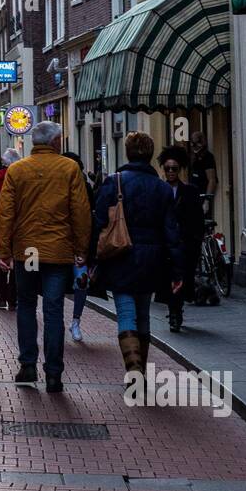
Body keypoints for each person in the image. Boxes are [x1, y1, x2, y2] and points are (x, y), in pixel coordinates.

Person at [0, 122, 91, 394]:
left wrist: (3, 250)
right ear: (56, 141)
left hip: (29, 252)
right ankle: (53, 373)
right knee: (53, 310)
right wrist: (82, 249)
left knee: (26, 305)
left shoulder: (17, 170)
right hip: (58, 251)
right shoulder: (69, 169)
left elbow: (5, 213)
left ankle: (27, 364)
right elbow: (81, 212)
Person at [91, 131, 184, 384]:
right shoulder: (163, 189)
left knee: (126, 313)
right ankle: (140, 369)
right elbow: (172, 232)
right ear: (151, 156)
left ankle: (133, 371)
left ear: (128, 152)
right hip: (152, 260)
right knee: (143, 314)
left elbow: (98, 222)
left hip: (120, 256)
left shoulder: (114, 182)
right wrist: (177, 271)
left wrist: (91, 260)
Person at [158, 144, 204, 333]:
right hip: (166, 245)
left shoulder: (190, 192)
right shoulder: (159, 190)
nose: (170, 172)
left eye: (174, 169)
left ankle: (177, 310)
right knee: (168, 280)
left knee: (183, 279)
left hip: (185, 244)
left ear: (180, 170)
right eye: (167, 168)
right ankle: (174, 312)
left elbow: (197, 219)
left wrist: (195, 240)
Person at [62, 151, 96, 342]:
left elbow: (90, 218)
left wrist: (86, 249)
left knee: (81, 281)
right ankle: (56, 320)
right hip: (60, 243)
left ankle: (75, 320)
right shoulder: (56, 185)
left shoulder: (86, 188)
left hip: (78, 245)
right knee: (56, 283)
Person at [0, 149, 21, 310]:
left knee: (0, 260)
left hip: (1, 225)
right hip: (22, 228)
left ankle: (1, 297)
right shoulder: (24, 176)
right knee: (24, 262)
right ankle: (14, 297)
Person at [189, 131, 218, 200]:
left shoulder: (208, 157)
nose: (194, 146)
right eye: (192, 144)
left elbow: (212, 180)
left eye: (196, 143)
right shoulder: (194, 157)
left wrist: (207, 200)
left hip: (202, 195)